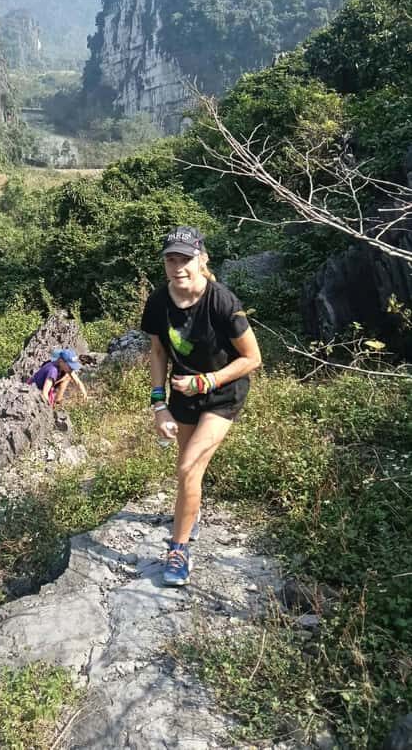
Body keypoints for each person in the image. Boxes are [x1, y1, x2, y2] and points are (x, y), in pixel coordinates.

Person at [141, 225, 262, 586]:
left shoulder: (222, 301)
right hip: (183, 393)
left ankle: (178, 550)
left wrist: (207, 381)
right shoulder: (159, 301)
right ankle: (190, 516)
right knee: (188, 469)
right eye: (171, 259)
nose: (178, 266)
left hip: (222, 392)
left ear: (202, 260)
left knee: (187, 468)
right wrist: (158, 404)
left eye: (186, 259)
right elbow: (159, 351)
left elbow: (252, 358)